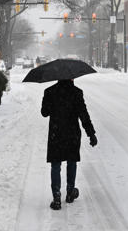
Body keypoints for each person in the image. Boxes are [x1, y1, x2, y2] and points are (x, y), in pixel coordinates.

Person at [41, 79, 97, 211]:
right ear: (72, 78)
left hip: (56, 134)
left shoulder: (49, 92)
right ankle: (70, 192)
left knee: (56, 164)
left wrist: (50, 103)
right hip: (72, 134)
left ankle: (56, 196)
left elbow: (44, 113)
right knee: (71, 161)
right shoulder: (76, 93)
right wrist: (91, 134)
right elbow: (84, 115)